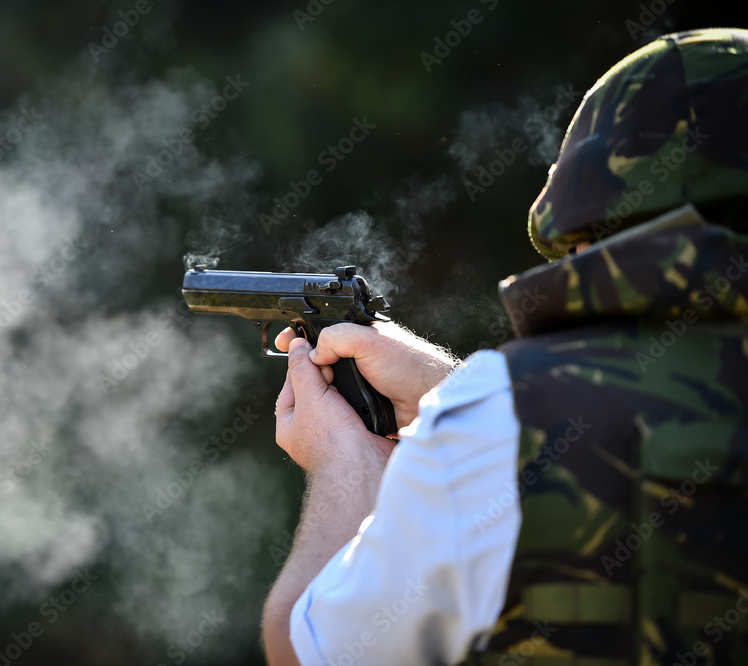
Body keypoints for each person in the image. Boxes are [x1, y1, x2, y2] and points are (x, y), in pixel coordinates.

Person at [261, 28, 748, 666]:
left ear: (579, 226)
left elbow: (304, 651)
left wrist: (347, 464)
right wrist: (455, 393)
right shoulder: (496, 418)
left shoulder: (500, 426)